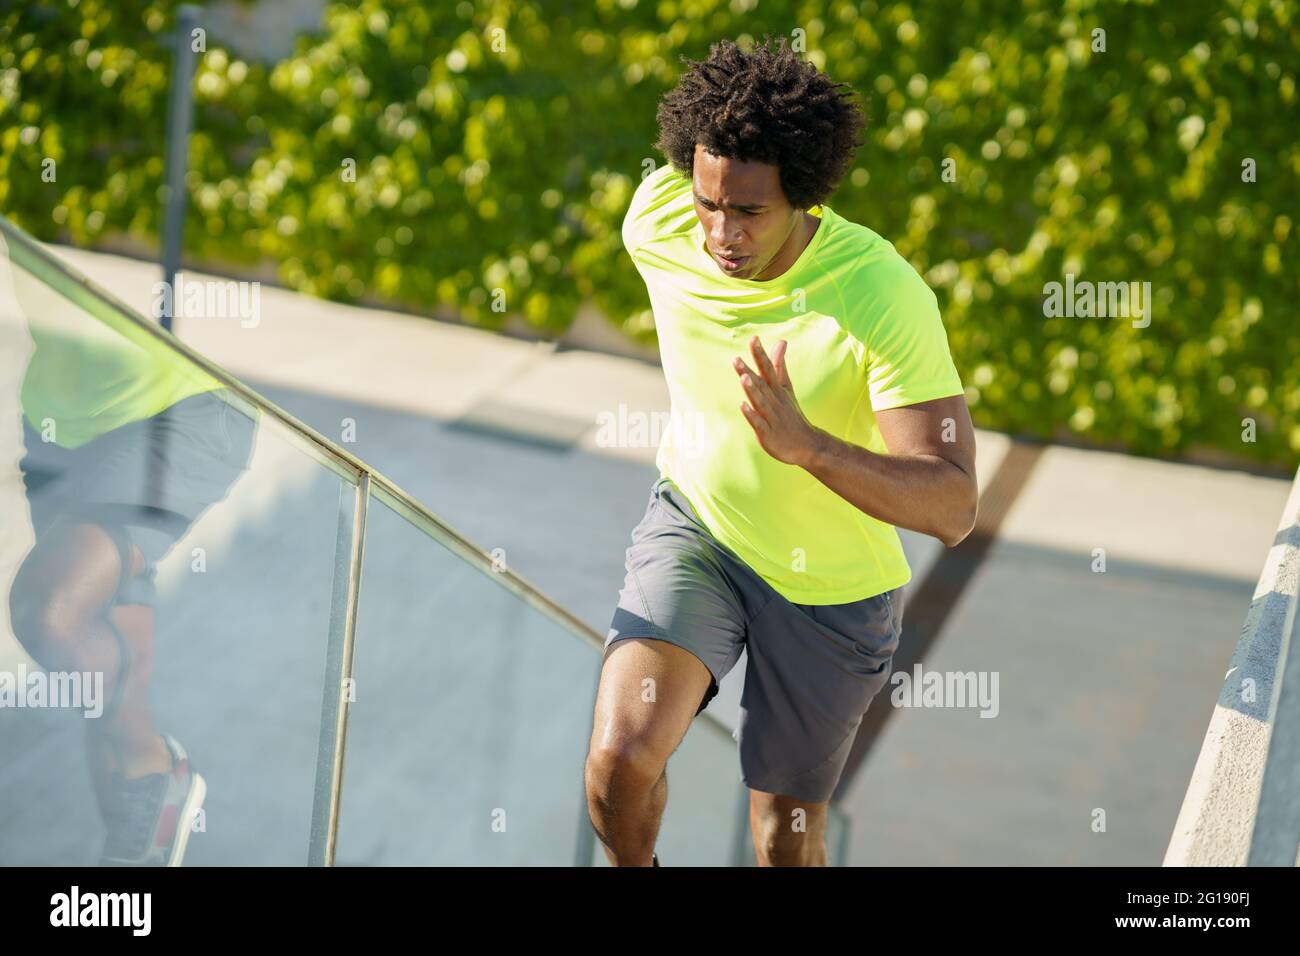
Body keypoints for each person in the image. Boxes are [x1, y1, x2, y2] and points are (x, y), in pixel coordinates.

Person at [585, 37, 978, 866]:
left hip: (834, 596)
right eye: (707, 203)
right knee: (620, 762)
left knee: (782, 839)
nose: (720, 233)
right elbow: (682, 215)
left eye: (749, 212)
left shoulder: (879, 293)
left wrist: (811, 448)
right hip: (698, 533)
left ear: (803, 195)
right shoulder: (657, 220)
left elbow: (952, 505)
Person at [7, 255, 257, 866]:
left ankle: (155, 765)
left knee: (51, 611)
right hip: (61, 422)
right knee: (106, 671)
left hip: (179, 402)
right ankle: (129, 872)